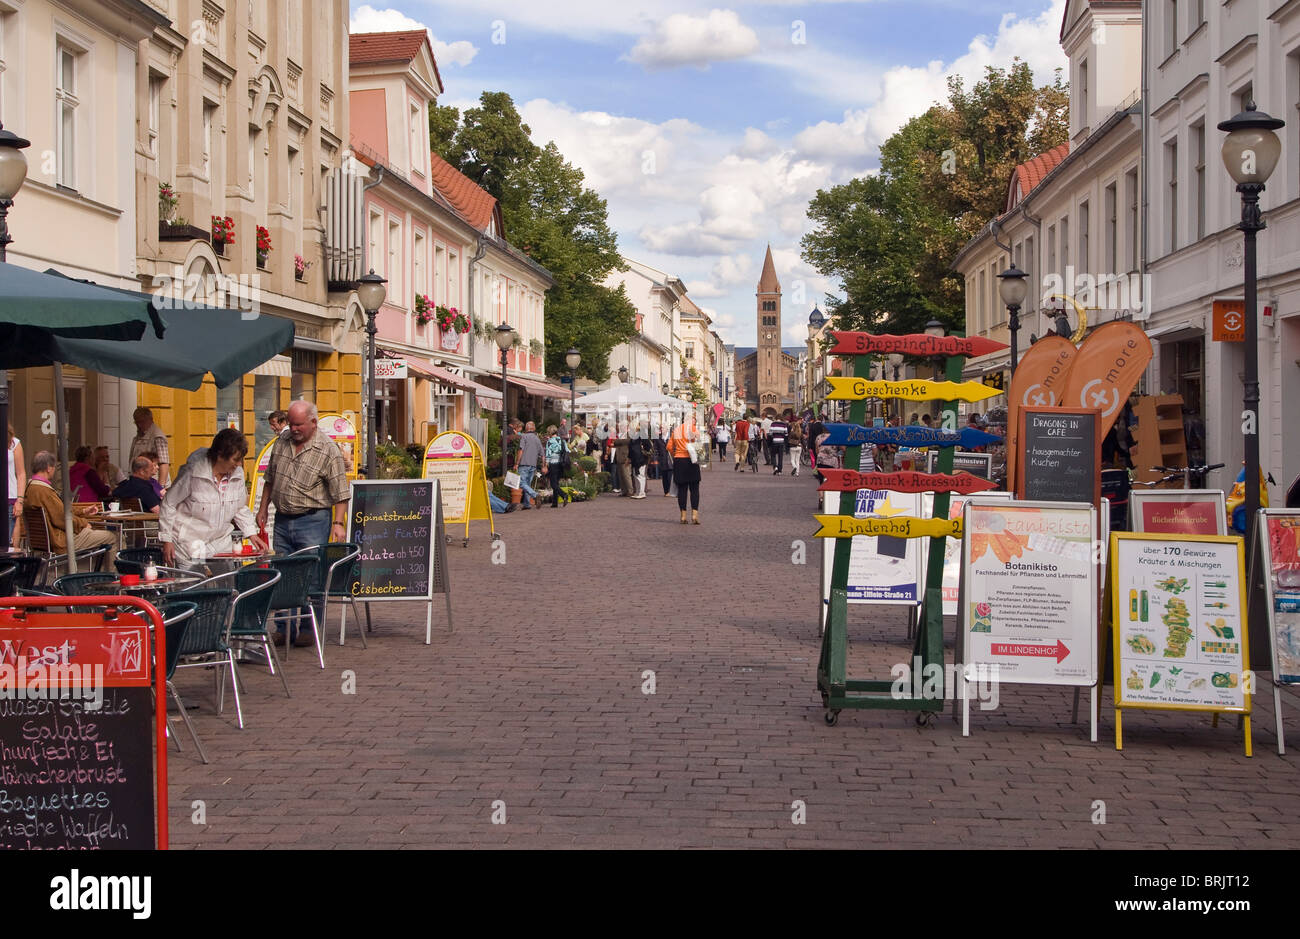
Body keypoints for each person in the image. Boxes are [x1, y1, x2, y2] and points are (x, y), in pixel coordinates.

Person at [255, 400, 350, 647]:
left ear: (313, 422)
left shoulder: (328, 450)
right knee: (281, 575)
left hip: (314, 519)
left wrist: (338, 523)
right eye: (291, 423)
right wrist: (263, 508)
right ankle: (284, 628)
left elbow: (340, 493)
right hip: (283, 519)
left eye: (298, 424)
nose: (293, 428)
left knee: (311, 576)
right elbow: (270, 479)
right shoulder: (282, 442)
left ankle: (309, 628)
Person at [160, 429, 265, 566]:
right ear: (220, 455)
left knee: (226, 585)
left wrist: (251, 534)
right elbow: (169, 503)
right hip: (188, 544)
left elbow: (239, 508)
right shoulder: (193, 473)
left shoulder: (238, 474)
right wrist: (167, 539)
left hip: (220, 544)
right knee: (194, 585)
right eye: (236, 459)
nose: (239, 464)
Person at [23, 451, 117, 570]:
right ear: (48, 468)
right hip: (62, 539)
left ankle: (103, 574)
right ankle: (113, 578)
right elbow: (61, 517)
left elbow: (59, 509)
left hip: (47, 540)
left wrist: (83, 511)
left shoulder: (30, 488)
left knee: (102, 535)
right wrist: (82, 523)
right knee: (113, 537)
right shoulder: (44, 491)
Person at [668, 421, 702, 525]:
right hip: (692, 460)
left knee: (682, 489)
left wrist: (675, 454)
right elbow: (700, 443)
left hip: (679, 461)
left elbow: (669, 447)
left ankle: (683, 516)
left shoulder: (676, 430)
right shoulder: (694, 429)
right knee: (694, 489)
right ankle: (694, 514)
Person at [128, 406, 171, 487]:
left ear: (150, 419)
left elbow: (164, 463)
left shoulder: (157, 436)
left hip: (153, 484)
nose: (139, 425)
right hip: (140, 482)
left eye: (142, 422)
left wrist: (160, 487)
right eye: (137, 422)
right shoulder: (138, 436)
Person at [515, 421, 543, 509]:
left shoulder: (524, 437)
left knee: (521, 483)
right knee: (527, 484)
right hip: (533, 465)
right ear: (533, 429)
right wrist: (544, 465)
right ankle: (527, 504)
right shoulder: (537, 439)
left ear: (526, 429)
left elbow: (521, 450)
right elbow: (542, 454)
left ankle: (535, 495)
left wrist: (517, 463)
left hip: (524, 463)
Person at [7, 424, 24, 546]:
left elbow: (21, 474)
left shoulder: (14, 443)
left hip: (9, 497)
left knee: (8, 542)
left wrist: (20, 500)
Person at [544, 424, 566, 509]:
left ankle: (564, 495)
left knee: (553, 484)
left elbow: (548, 455)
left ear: (549, 432)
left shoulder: (550, 441)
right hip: (561, 464)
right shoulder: (562, 440)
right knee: (556, 483)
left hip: (553, 463)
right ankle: (555, 502)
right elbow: (567, 450)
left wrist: (546, 465)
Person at [628, 421, 649, 498]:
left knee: (640, 475)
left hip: (641, 458)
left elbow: (648, 445)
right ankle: (638, 492)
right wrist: (629, 457)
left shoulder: (642, 434)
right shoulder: (633, 435)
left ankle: (642, 492)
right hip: (635, 458)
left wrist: (644, 453)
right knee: (635, 475)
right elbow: (630, 448)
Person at [654, 425, 673, 496]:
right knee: (664, 477)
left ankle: (671, 491)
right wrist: (656, 458)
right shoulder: (658, 438)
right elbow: (655, 449)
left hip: (670, 459)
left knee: (670, 476)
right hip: (662, 459)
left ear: (667, 429)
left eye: (663, 428)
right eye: (661, 428)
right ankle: (666, 492)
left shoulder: (671, 437)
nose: (662, 429)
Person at [613, 432, 633, 497]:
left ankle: (630, 491)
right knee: (621, 476)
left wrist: (617, 441)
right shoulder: (619, 434)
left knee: (626, 475)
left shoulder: (629, 434)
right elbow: (614, 442)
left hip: (625, 457)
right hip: (619, 457)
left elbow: (628, 441)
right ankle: (624, 491)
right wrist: (617, 441)